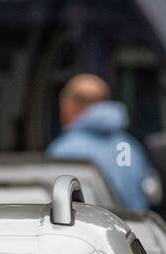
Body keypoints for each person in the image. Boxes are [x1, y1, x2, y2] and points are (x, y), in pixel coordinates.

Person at [47, 74, 159, 211]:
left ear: (70, 106)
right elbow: (149, 193)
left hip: (89, 230)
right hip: (131, 230)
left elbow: (58, 205)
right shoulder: (130, 146)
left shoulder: (64, 149)